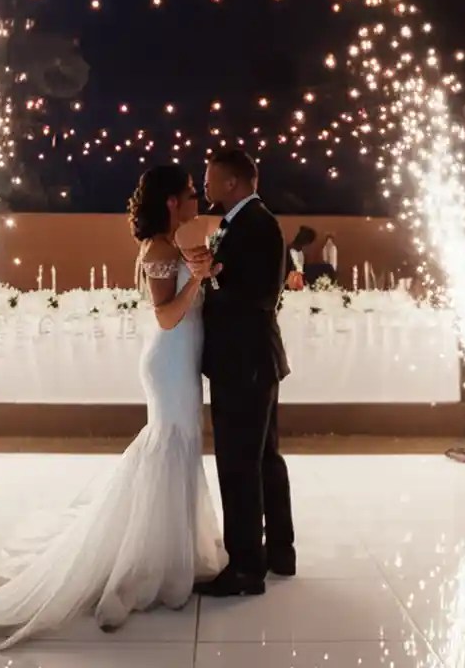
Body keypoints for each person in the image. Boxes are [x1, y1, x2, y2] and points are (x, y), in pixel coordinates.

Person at [0, 165, 225, 649]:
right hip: (169, 361)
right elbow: (165, 316)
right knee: (169, 446)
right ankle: (153, 563)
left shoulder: (172, 243)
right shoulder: (159, 249)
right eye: (190, 193)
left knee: (176, 447)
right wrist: (197, 280)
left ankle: (167, 552)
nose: (197, 200)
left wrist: (205, 270)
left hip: (181, 362)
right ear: (170, 202)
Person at [187, 148, 295, 597]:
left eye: (210, 177)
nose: (205, 184)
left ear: (232, 182)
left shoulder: (257, 224)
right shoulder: (245, 222)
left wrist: (211, 275)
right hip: (252, 359)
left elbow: (259, 296)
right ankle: (280, 552)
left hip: (244, 361)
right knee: (264, 457)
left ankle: (247, 566)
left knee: (239, 464)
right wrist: (215, 271)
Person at [284, 225, 316, 290]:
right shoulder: (289, 251)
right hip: (289, 285)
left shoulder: (300, 252)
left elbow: (302, 270)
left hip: (298, 284)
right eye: (308, 243)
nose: (307, 245)